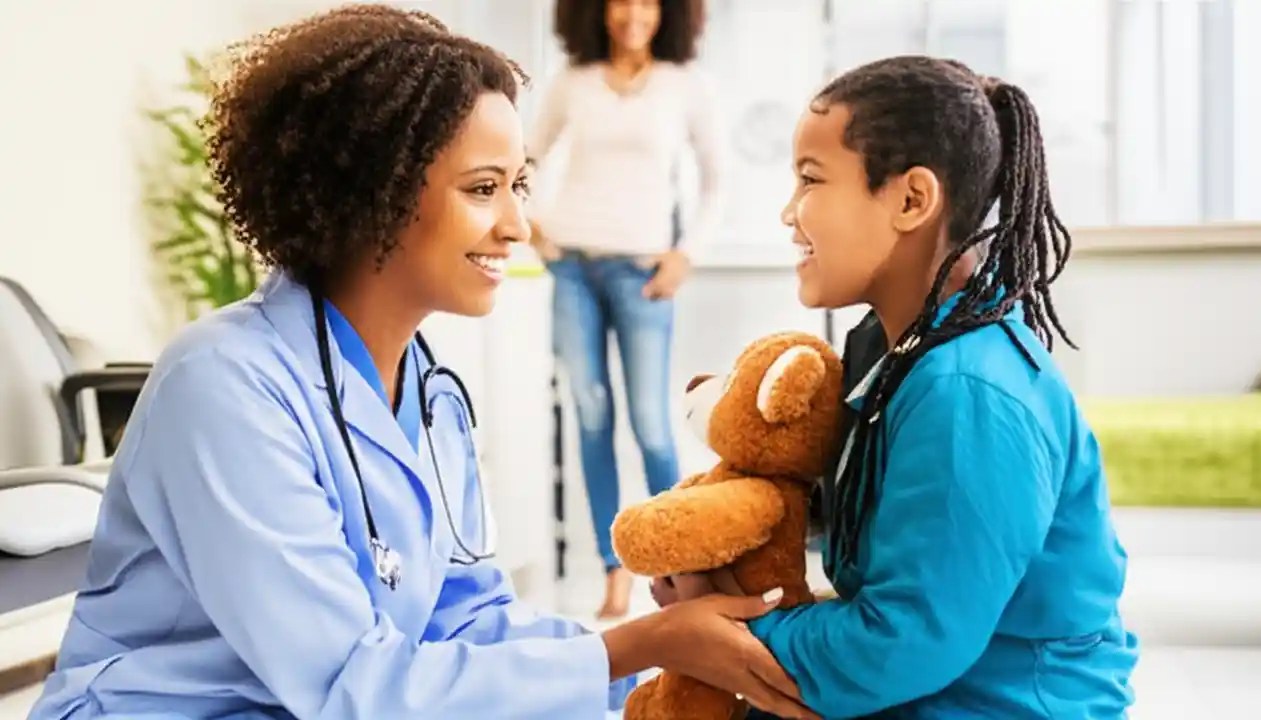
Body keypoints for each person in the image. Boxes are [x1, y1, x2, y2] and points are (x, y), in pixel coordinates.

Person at [25, 7, 818, 720]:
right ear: (378, 192)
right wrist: (641, 646)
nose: (516, 224)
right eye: (483, 189)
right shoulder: (225, 385)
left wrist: (668, 665)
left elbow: (465, 617)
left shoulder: (431, 393)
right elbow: (350, 686)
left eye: (519, 185)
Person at [661, 56, 1141, 719]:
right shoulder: (892, 353)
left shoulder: (969, 392)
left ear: (912, 200)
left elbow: (903, 642)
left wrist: (722, 631)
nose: (788, 214)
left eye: (810, 181)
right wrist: (718, 577)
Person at [526, 0, 726, 619]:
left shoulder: (684, 86)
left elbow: (718, 179)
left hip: (645, 273)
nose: (633, 12)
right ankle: (614, 571)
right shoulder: (572, 84)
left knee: (649, 421)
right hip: (574, 268)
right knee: (588, 413)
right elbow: (525, 160)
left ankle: (680, 565)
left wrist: (685, 254)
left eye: (646, 1)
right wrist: (534, 229)